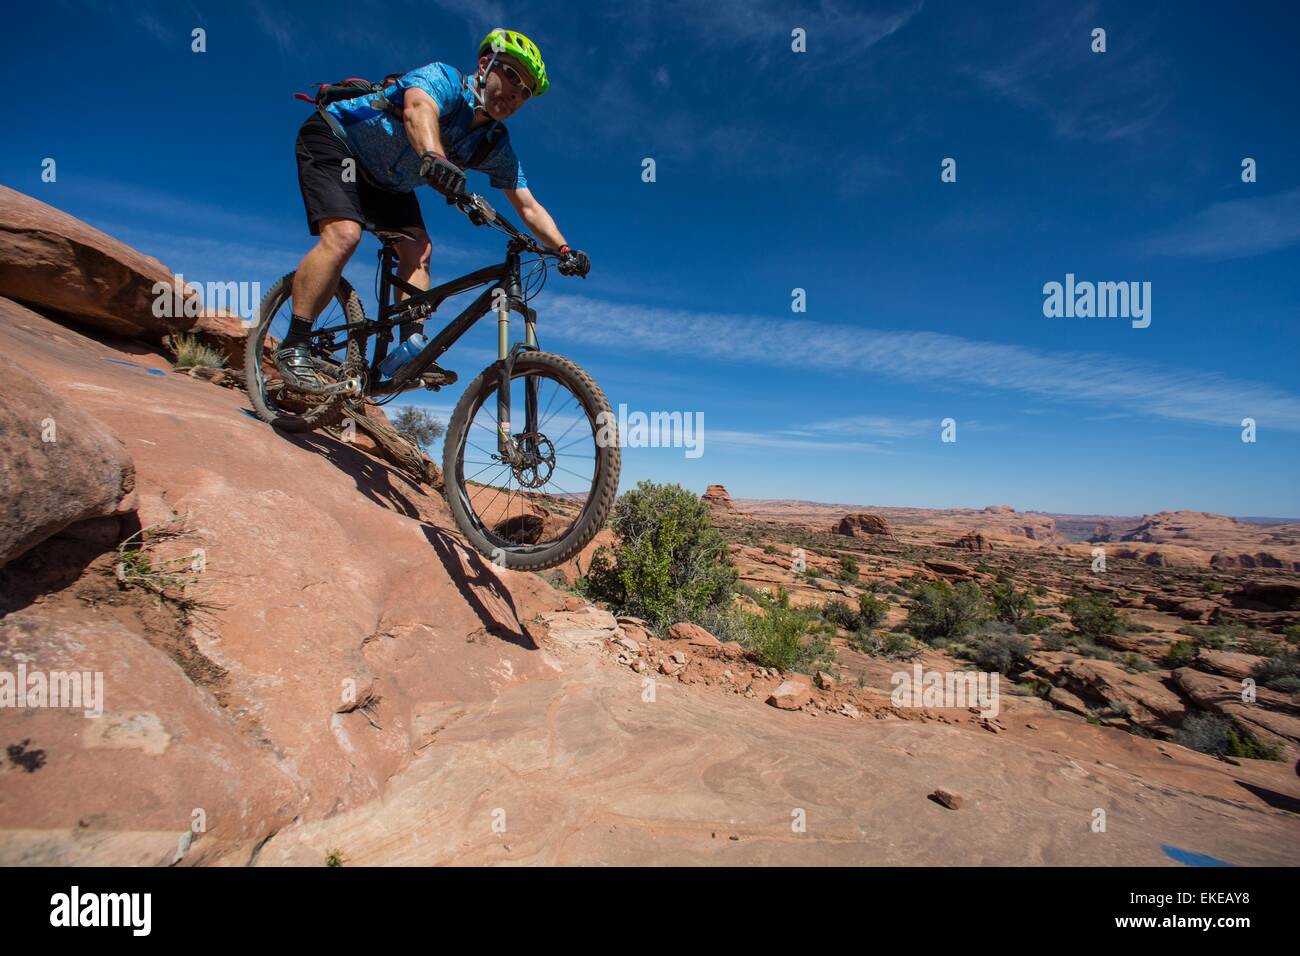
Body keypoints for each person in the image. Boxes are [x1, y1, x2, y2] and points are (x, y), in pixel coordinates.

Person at [277, 27, 589, 389]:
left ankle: (411, 349)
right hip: (337, 140)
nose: (516, 95)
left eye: (525, 93)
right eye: (512, 77)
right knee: (345, 235)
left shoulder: (493, 145)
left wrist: (564, 249)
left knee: (418, 248)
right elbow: (418, 108)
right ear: (485, 65)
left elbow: (528, 205)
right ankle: (295, 343)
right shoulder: (444, 79)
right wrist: (433, 155)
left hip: (388, 183)